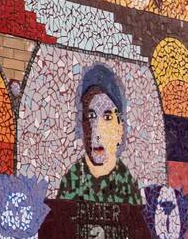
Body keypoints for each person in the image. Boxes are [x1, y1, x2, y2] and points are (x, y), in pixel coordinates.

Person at [56, 63, 142, 205]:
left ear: (120, 127)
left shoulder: (128, 188)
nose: (96, 131)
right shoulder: (70, 183)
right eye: (90, 116)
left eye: (107, 117)